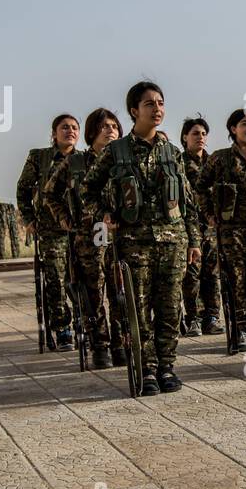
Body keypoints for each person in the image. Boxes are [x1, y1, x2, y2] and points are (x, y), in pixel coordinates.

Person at [82, 82, 202, 395]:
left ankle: (166, 367)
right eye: (149, 103)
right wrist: (105, 214)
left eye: (160, 102)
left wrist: (194, 241)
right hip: (134, 244)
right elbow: (87, 190)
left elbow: (188, 203)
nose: (157, 108)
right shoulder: (116, 151)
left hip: (173, 243)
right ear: (135, 111)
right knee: (137, 309)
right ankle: (146, 368)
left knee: (170, 308)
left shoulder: (172, 152)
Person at [42, 108, 123, 370]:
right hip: (87, 238)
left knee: (119, 290)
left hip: (119, 236)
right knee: (92, 294)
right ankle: (99, 346)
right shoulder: (75, 163)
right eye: (104, 126)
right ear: (91, 132)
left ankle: (120, 343)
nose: (111, 130)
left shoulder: (123, 161)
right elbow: (50, 194)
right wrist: (65, 219)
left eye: (114, 126)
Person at [197, 108, 246, 352]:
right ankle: (239, 330)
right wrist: (210, 214)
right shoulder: (220, 159)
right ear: (233, 129)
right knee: (234, 282)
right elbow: (199, 187)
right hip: (230, 231)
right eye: (244, 123)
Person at [16, 114, 80, 350]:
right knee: (56, 277)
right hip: (51, 230)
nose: (70, 131)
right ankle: (62, 328)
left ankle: (85, 321)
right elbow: (23, 189)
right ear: (54, 133)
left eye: (74, 128)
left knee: (82, 278)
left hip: (79, 230)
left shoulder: (83, 159)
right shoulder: (39, 158)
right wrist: (29, 218)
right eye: (64, 127)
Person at [179, 116, 224, 338]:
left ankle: (212, 317)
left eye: (204, 134)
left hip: (212, 227)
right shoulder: (178, 164)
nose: (200, 137)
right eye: (195, 133)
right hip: (190, 227)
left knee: (212, 274)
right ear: (185, 137)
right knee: (191, 275)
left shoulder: (213, 163)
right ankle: (193, 317)